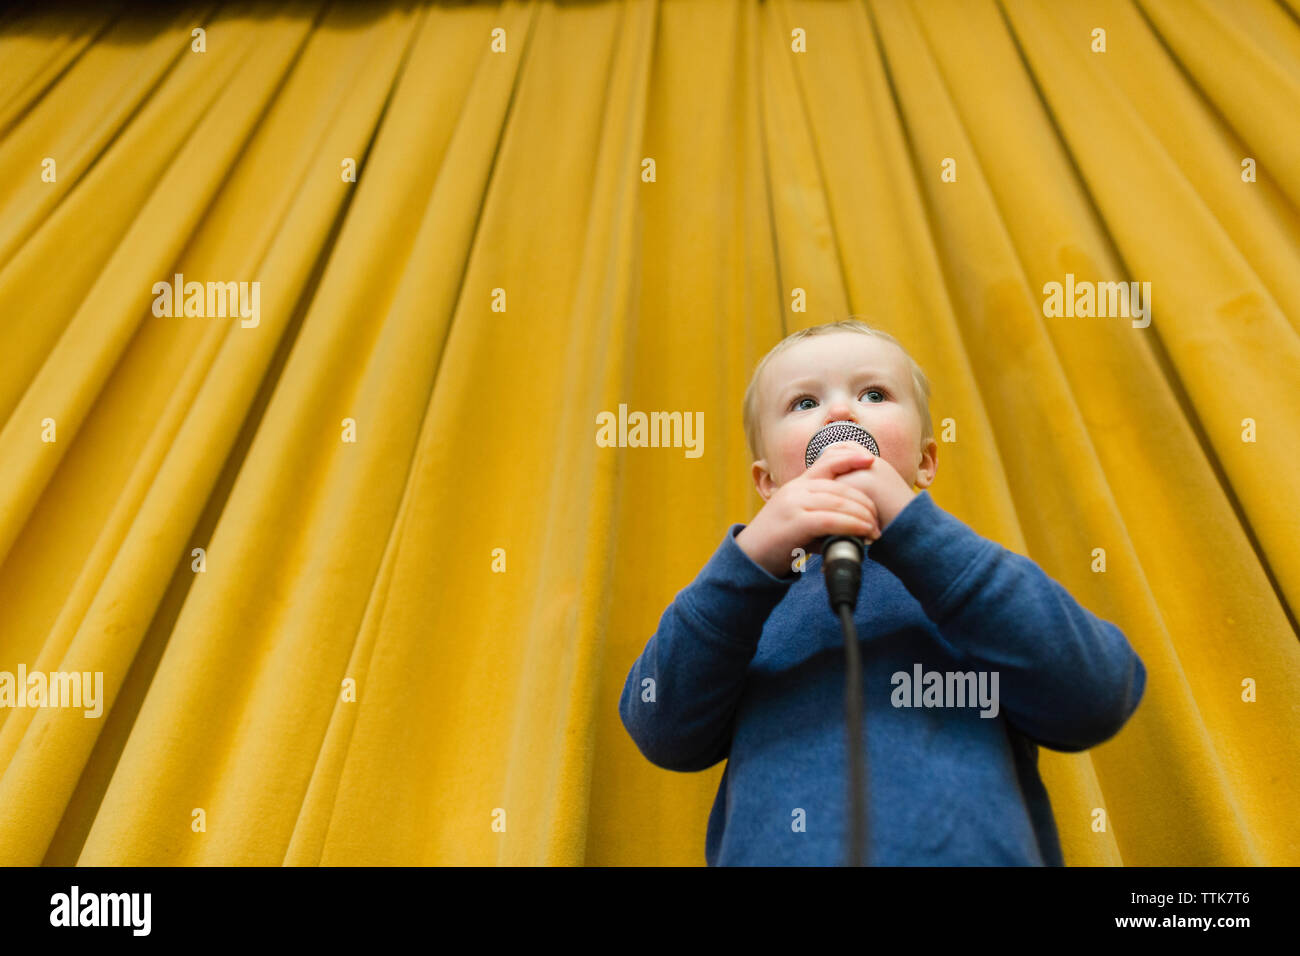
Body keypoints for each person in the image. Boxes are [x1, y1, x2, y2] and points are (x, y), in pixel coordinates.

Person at [618, 319, 1147, 865]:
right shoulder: (745, 607)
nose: (841, 414)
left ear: (925, 462)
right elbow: (661, 730)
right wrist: (749, 559)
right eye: (804, 403)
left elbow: (1098, 694)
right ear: (768, 482)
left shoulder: (971, 580)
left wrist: (915, 529)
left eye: (874, 394)